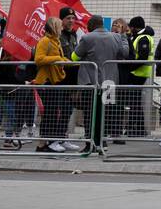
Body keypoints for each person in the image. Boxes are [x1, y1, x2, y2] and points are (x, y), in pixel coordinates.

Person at [72, 15, 130, 149]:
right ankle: (102, 142)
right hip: (110, 81)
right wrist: (123, 36)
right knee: (106, 112)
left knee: (90, 113)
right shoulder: (115, 37)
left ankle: (90, 143)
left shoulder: (87, 38)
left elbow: (75, 56)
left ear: (91, 26)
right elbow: (124, 53)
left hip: (91, 82)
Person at [30, 17, 71, 153]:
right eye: (59, 26)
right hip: (46, 81)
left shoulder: (56, 41)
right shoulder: (45, 41)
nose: (61, 28)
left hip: (56, 80)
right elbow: (39, 59)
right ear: (54, 27)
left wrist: (69, 62)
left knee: (53, 113)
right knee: (50, 113)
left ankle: (44, 143)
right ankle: (47, 142)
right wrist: (58, 59)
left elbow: (59, 57)